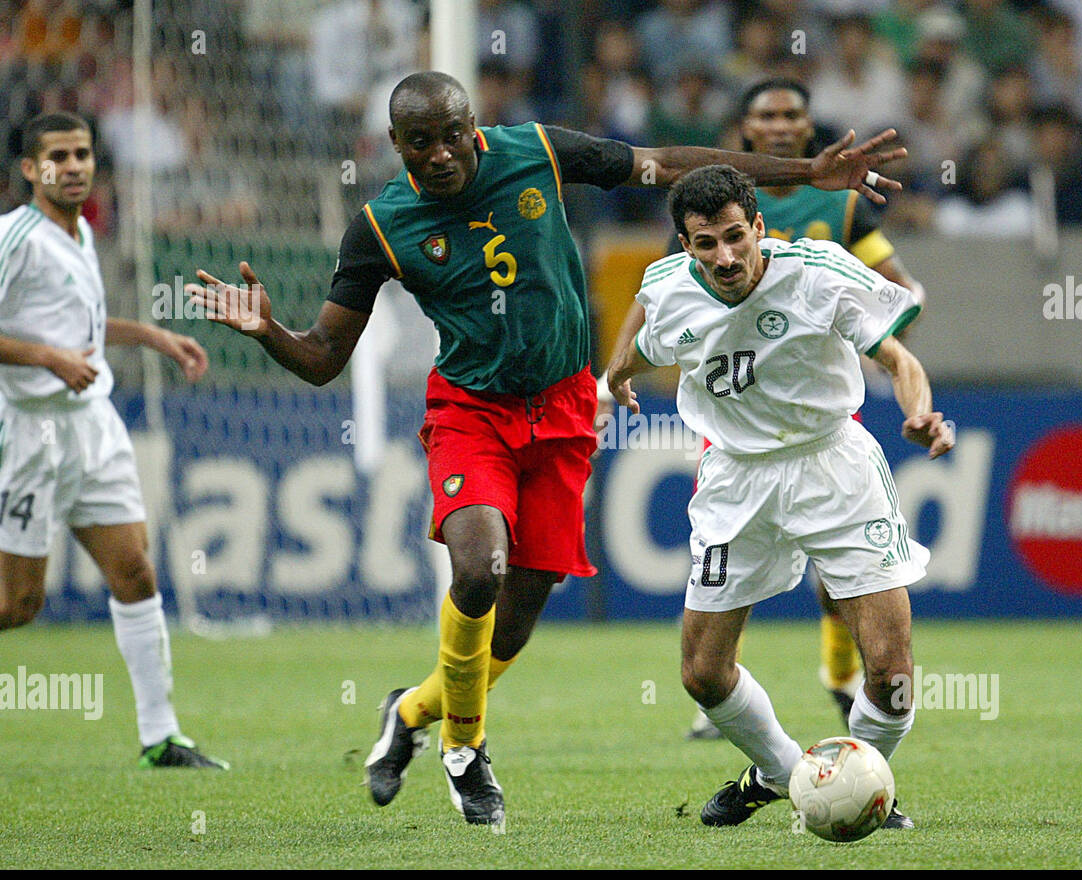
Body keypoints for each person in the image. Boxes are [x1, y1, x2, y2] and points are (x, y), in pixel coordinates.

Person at [186, 71, 905, 826]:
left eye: (452, 133)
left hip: (563, 412)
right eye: (420, 141)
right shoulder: (379, 227)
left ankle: (411, 709)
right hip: (472, 410)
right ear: (396, 145)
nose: (440, 153)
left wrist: (806, 172)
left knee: (519, 617)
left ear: (476, 126)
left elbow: (662, 162)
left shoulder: (537, 152)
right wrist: (270, 331)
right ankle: (466, 751)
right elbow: (327, 354)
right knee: (478, 567)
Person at [605, 164, 953, 830]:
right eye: (706, 244)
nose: (726, 256)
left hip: (833, 465)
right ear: (685, 245)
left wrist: (919, 413)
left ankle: (861, 782)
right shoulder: (669, 290)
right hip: (737, 478)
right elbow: (638, 348)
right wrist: (616, 378)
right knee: (703, 673)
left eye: (737, 236)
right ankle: (781, 771)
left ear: (760, 226)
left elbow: (899, 360)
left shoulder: (818, 272)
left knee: (890, 672)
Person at [0, 112, 223, 769]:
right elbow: (50, 343)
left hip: (93, 428)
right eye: (58, 156)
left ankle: (161, 735)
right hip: (32, 436)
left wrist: (154, 335)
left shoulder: (82, 233)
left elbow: (84, 330)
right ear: (30, 169)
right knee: (17, 604)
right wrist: (46, 358)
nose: (73, 166)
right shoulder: (17, 237)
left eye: (83, 154)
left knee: (134, 570)